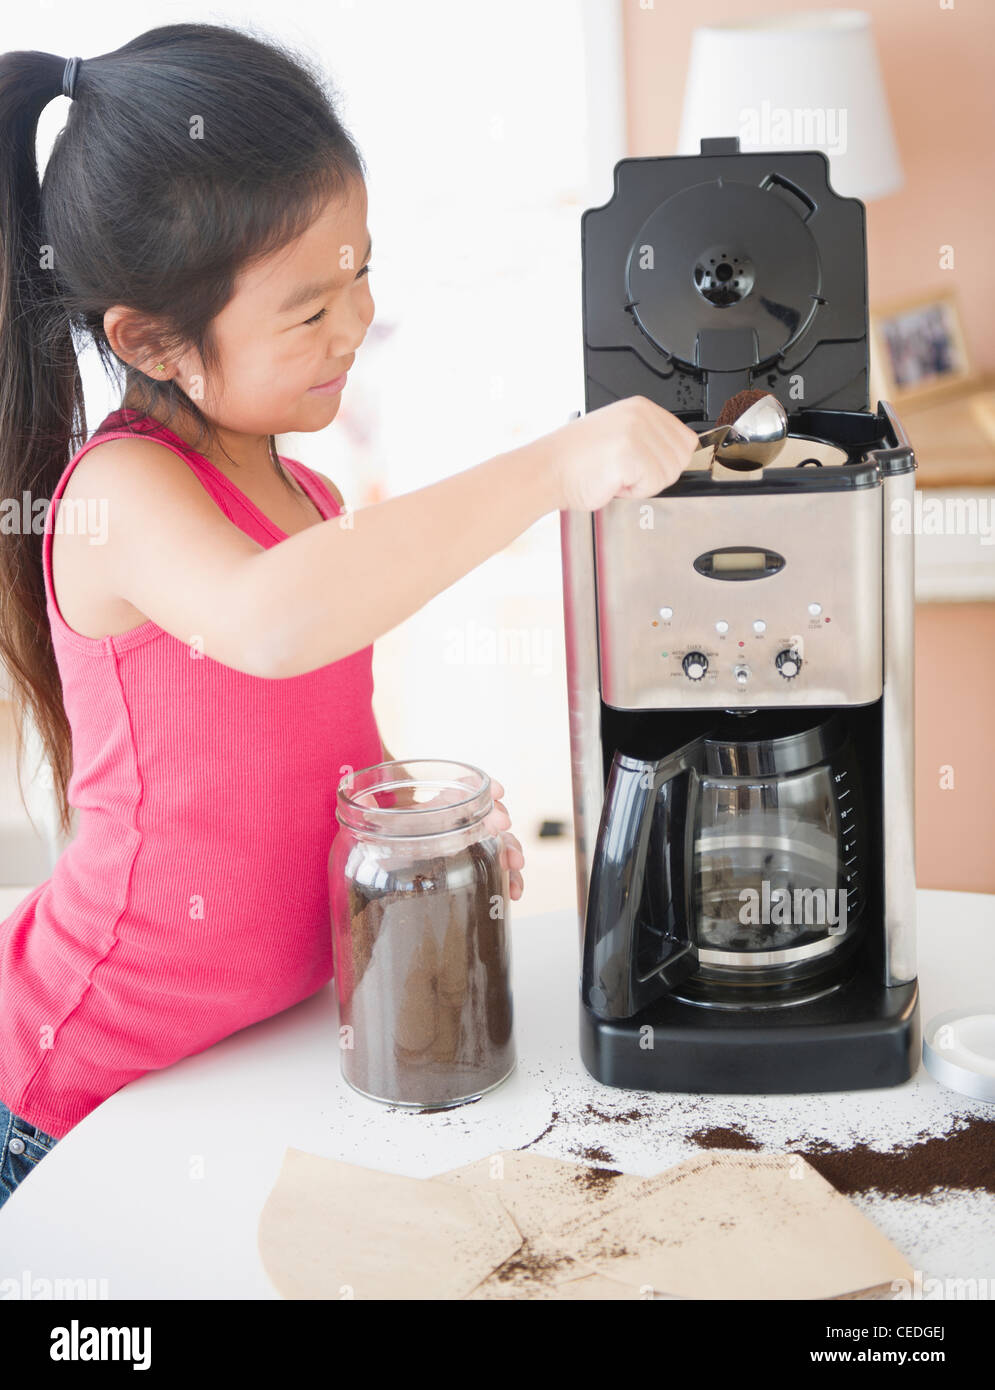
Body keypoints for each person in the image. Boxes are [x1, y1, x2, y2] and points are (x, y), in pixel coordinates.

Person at [0, 23, 698, 1208]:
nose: (355, 318)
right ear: (149, 340)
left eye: (361, 269)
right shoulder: (119, 495)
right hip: (76, 1089)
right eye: (307, 304)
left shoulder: (305, 493)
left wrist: (397, 821)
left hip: (243, 1061)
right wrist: (548, 467)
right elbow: (271, 622)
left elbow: (310, 709)